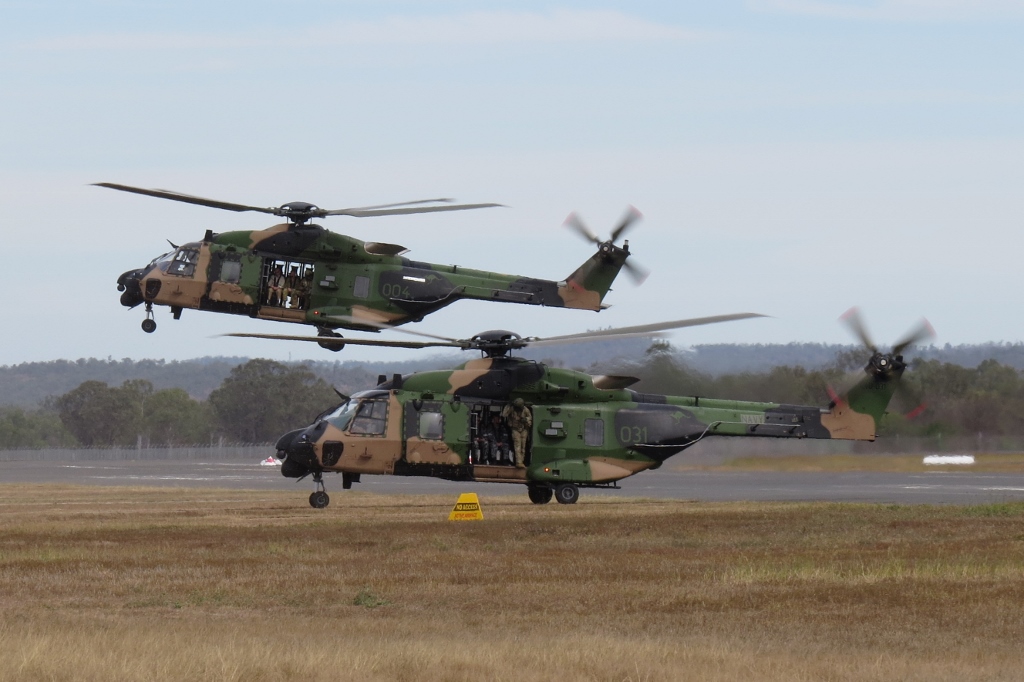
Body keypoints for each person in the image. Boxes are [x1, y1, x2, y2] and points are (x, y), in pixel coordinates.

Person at [501, 398, 532, 468]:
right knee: (517, 445)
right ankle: (519, 462)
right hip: (515, 429)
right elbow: (504, 414)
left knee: (523, 447)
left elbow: (530, 418)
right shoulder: (512, 409)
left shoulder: (525, 409)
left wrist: (525, 420)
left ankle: (522, 461)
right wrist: (508, 406)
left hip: (524, 429)